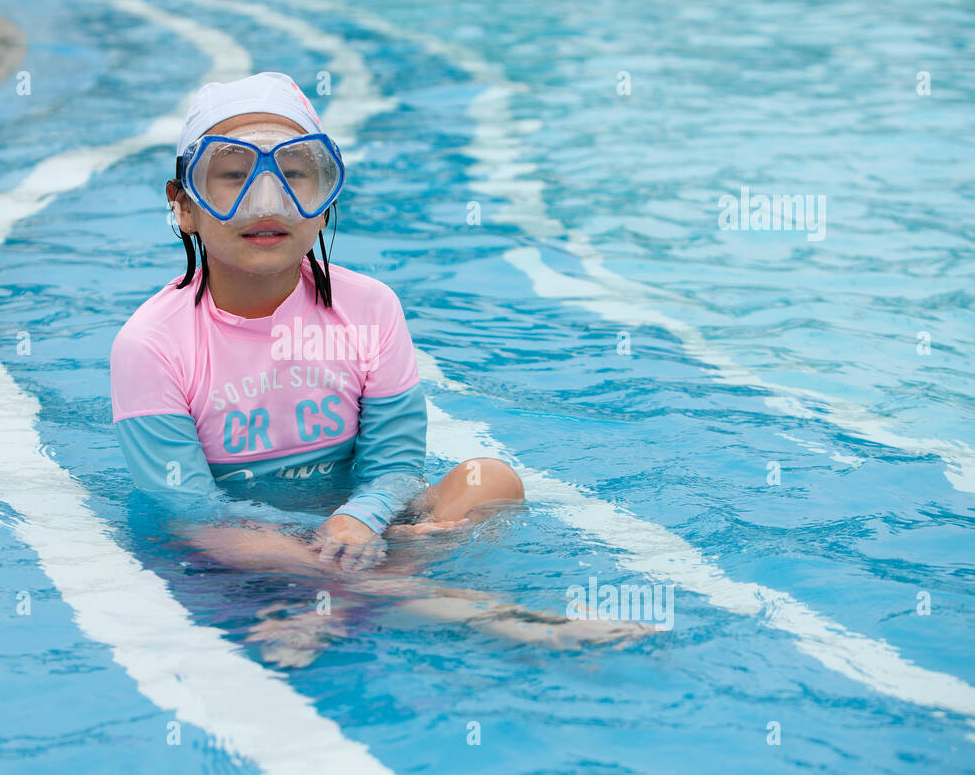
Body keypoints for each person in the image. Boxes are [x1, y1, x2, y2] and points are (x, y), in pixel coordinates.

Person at [111, 71, 647, 665]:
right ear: (184, 206)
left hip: (359, 528)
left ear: (324, 201)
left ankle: (335, 603)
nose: (267, 202)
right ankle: (478, 615)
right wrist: (319, 543)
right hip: (241, 545)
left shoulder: (370, 307)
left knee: (490, 479)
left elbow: (394, 464)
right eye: (233, 177)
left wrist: (357, 522)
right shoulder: (152, 342)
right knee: (230, 538)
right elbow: (188, 510)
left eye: (293, 176)